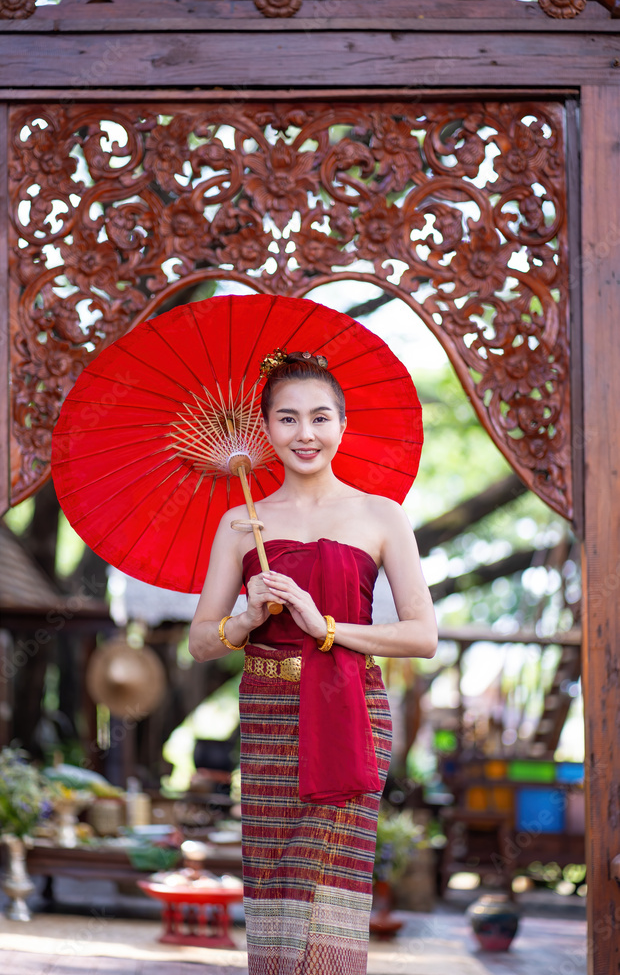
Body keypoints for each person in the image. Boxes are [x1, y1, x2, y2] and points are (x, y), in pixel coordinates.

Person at [188, 350, 438, 975]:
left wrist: (322, 625)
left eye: (320, 418)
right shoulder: (241, 523)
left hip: (349, 709)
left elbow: (422, 636)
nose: (305, 433)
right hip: (269, 714)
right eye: (288, 418)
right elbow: (200, 642)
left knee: (325, 881)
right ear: (265, 428)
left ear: (342, 425)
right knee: (275, 878)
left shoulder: (381, 514)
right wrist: (246, 619)